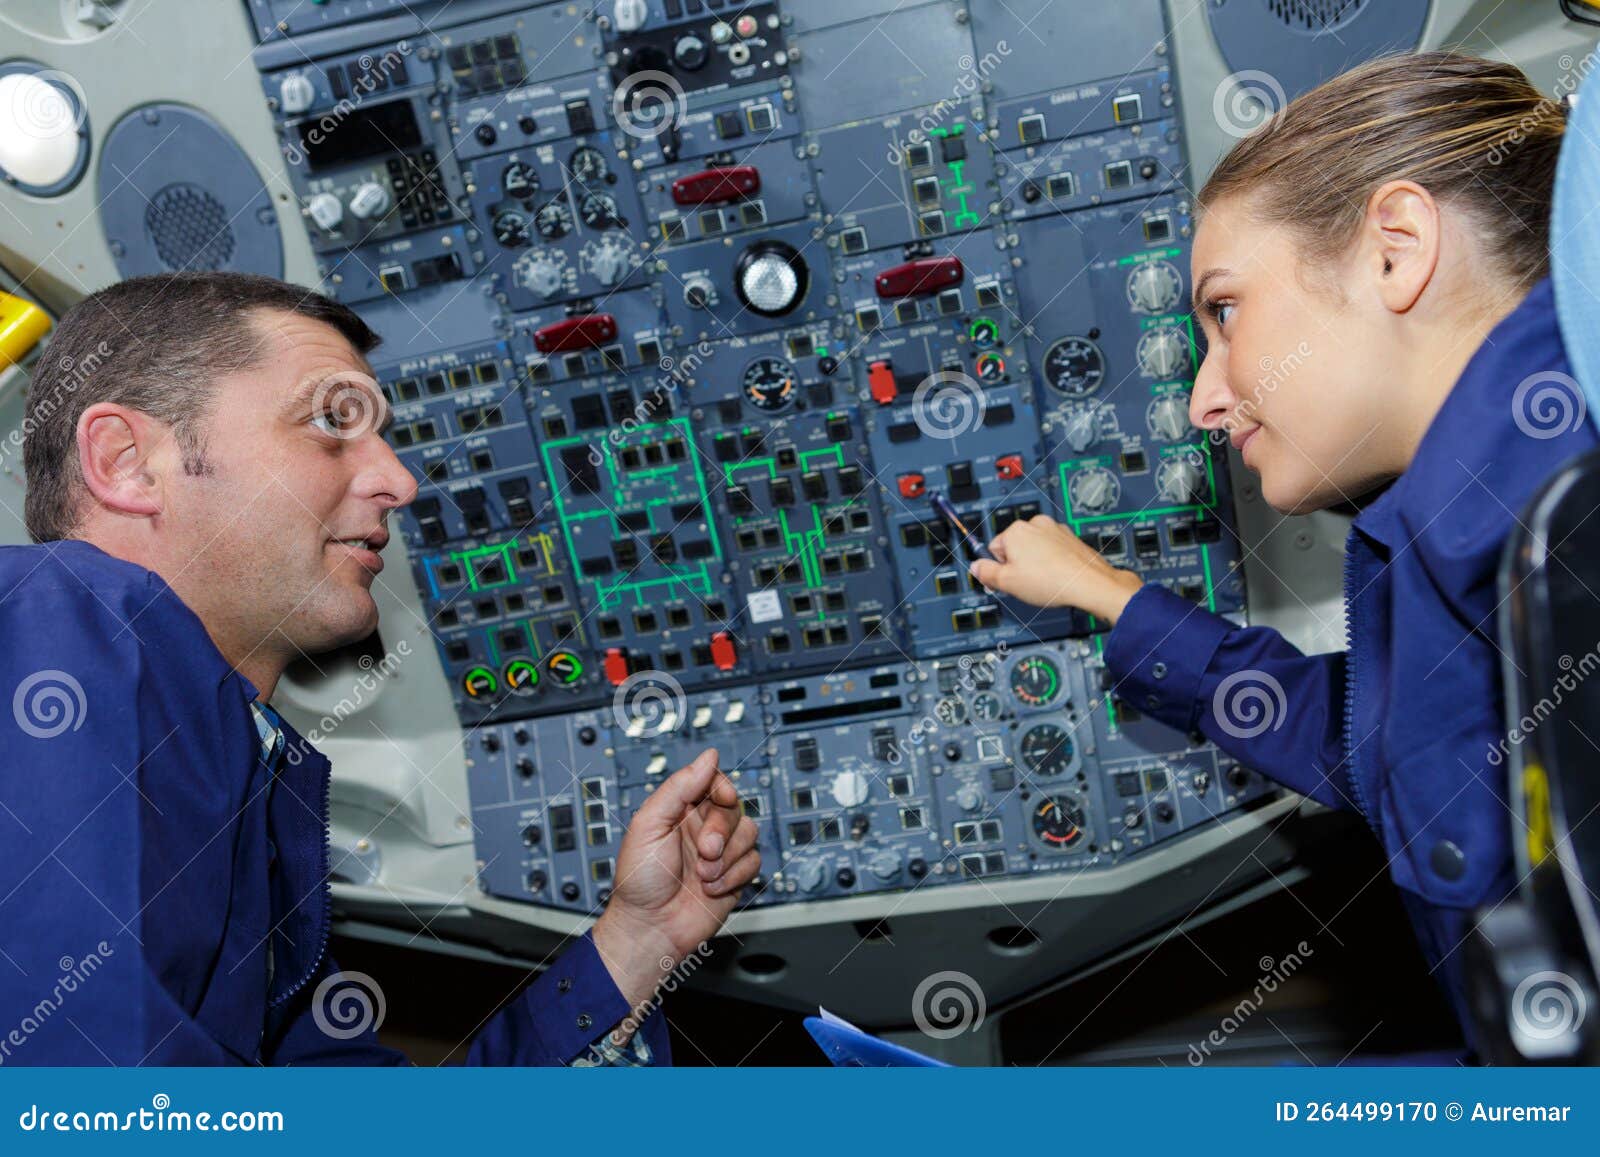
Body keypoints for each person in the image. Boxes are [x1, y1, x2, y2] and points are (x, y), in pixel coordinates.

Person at [972, 52, 1597, 1051]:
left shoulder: (1553, 531)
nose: (1201, 401)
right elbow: (1391, 747)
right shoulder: (1466, 527)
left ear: (1395, 248)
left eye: (1224, 311)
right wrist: (1112, 595)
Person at [0, 272, 760, 1065]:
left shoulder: (247, 794)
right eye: (331, 421)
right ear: (127, 461)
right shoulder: (46, 613)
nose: (400, 480)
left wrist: (638, 943)